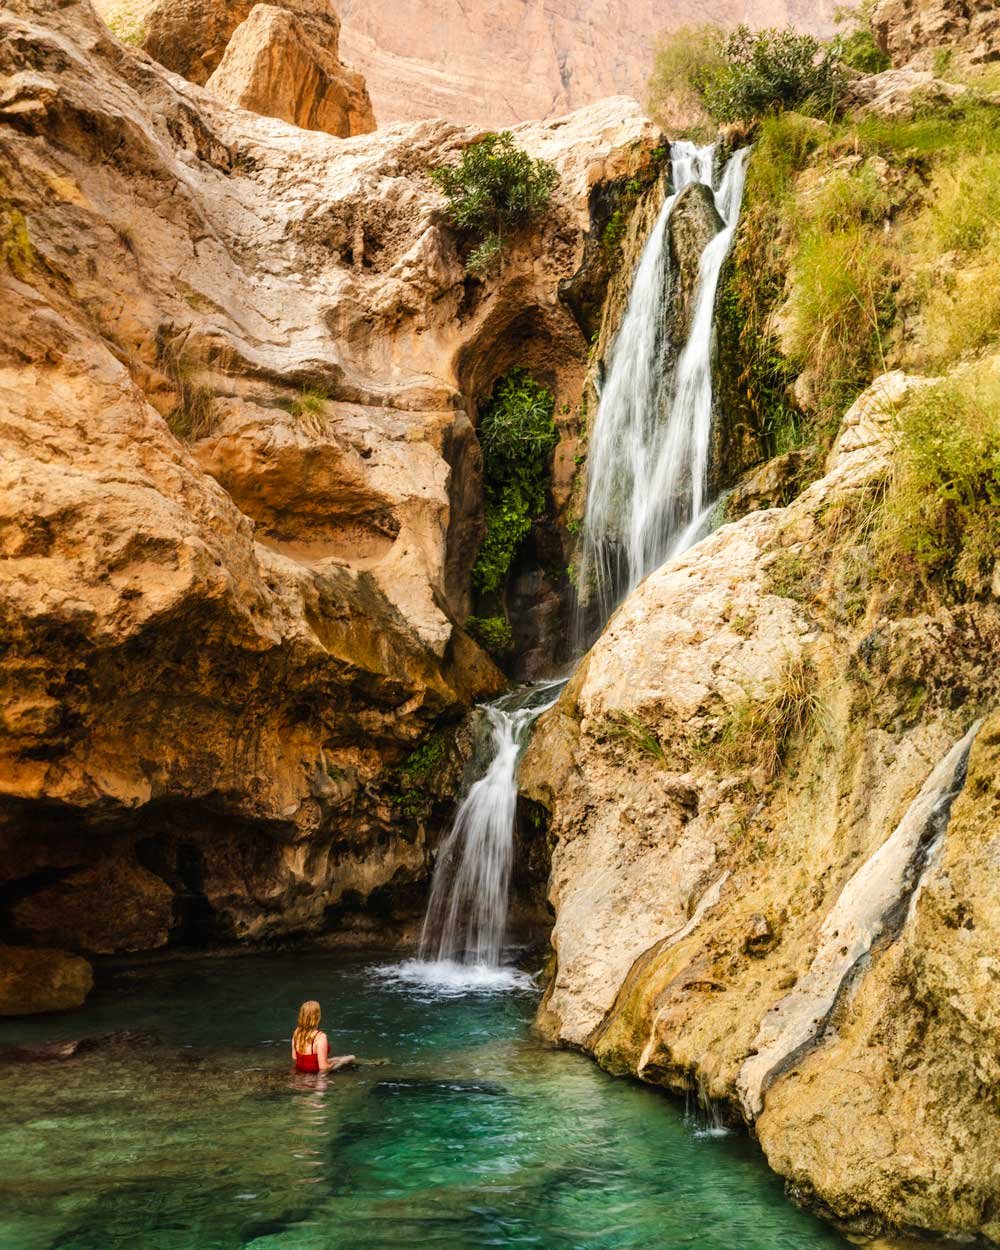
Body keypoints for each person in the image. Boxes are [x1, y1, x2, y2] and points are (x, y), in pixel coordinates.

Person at [291, 1000, 355, 1073]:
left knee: (338, 1058)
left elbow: (294, 1058)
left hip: (301, 1069)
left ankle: (339, 1060)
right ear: (317, 1017)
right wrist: (333, 1064)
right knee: (351, 1058)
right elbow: (323, 1068)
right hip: (315, 1072)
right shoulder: (320, 1037)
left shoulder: (297, 1032)